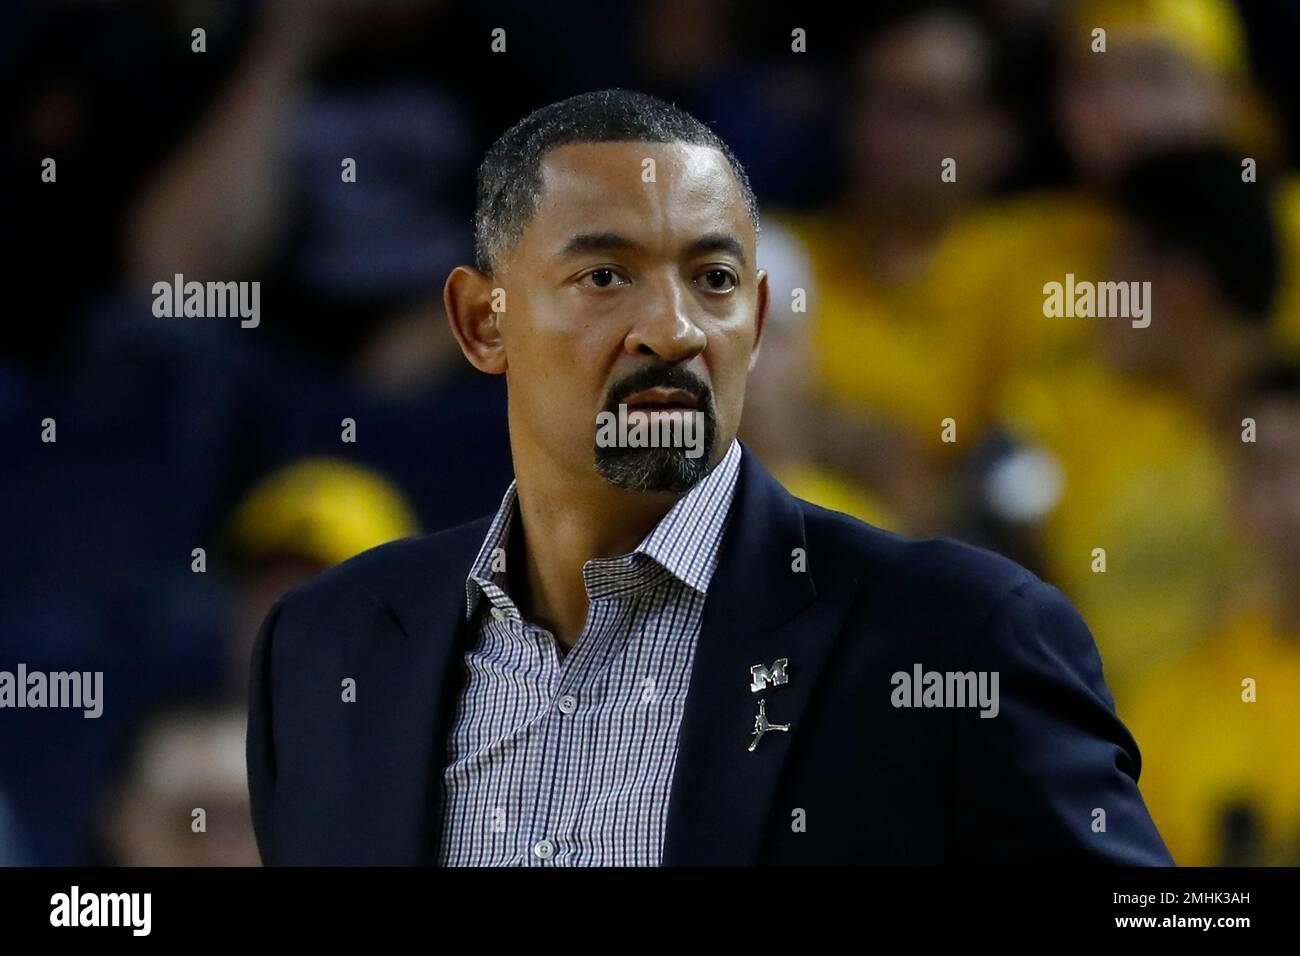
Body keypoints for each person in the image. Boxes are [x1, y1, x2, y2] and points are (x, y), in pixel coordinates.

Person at [246, 88, 1171, 866]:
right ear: (484, 323)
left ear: (758, 324)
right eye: (606, 277)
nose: (675, 330)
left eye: (714, 279)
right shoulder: (324, 647)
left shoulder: (957, 635)